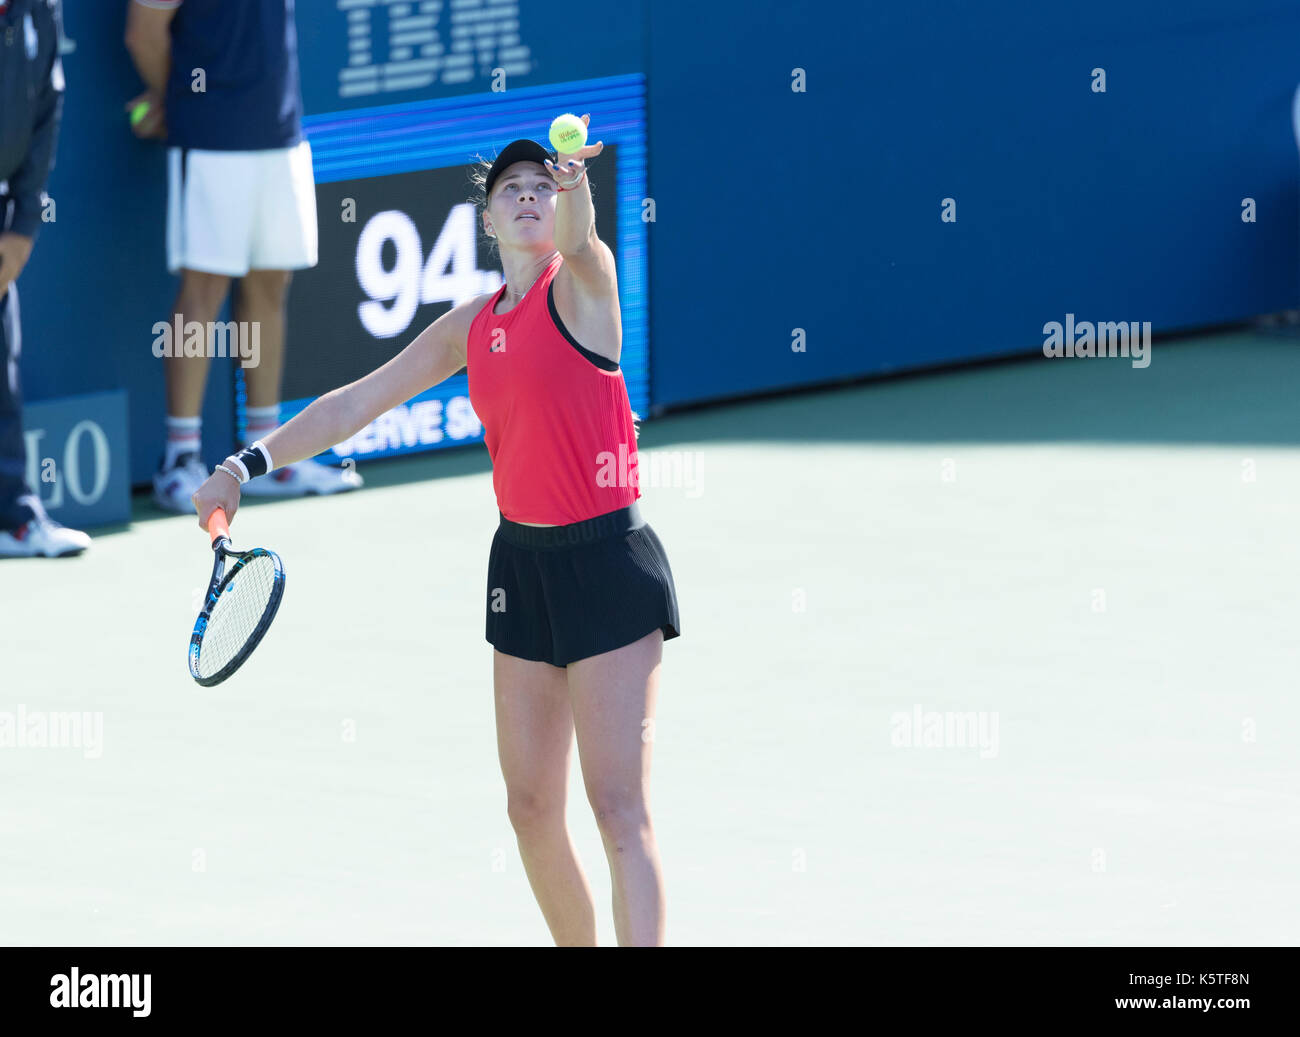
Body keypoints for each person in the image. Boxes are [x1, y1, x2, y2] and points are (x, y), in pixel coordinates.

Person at [191, 119, 681, 946]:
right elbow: (356, 402)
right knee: (530, 808)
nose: (530, 198)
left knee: (618, 808)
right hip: (520, 569)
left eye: (542, 188)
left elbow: (587, 234)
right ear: (488, 220)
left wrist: (576, 187)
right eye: (511, 191)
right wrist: (245, 464)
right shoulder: (470, 328)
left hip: (608, 562)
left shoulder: (586, 289)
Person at [124, 0, 360, 513]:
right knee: (203, 288)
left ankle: (266, 454)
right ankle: (180, 458)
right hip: (208, 137)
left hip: (279, 132)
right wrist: (180, 103)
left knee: (269, 286)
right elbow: (144, 32)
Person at [0, 0, 90, 558]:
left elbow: (46, 107)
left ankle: (13, 516)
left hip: (6, 209)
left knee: (2, 366)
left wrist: (24, 224)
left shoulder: (39, 9)